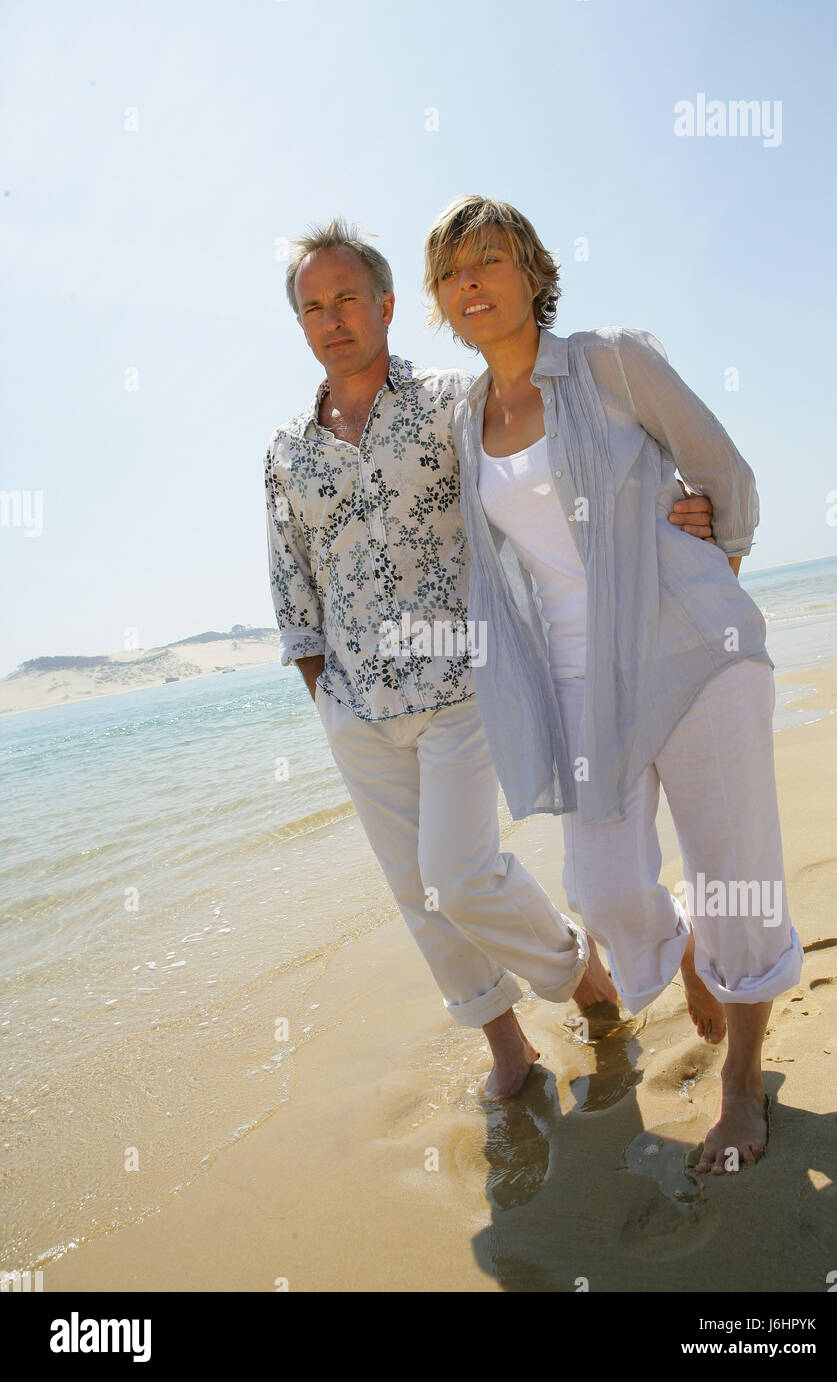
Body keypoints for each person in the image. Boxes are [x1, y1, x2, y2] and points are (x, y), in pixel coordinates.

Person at [265, 218, 717, 1100]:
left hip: (468, 684)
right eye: (313, 307)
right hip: (358, 711)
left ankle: (580, 976)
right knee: (418, 896)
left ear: (390, 305)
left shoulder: (454, 402)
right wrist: (329, 700)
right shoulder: (286, 454)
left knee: (461, 876)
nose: (332, 319)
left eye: (348, 298)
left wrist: (674, 514)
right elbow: (294, 593)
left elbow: (552, 480)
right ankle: (508, 1048)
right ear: (302, 325)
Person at [423, 194, 804, 1171]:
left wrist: (710, 565)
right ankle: (686, 956)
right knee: (603, 887)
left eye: (490, 261)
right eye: (452, 272)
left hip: (693, 654)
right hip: (578, 684)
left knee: (738, 877)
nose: (472, 284)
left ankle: (738, 1080)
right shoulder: (466, 423)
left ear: (531, 272)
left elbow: (722, 471)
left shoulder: (609, 361)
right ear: (437, 297)